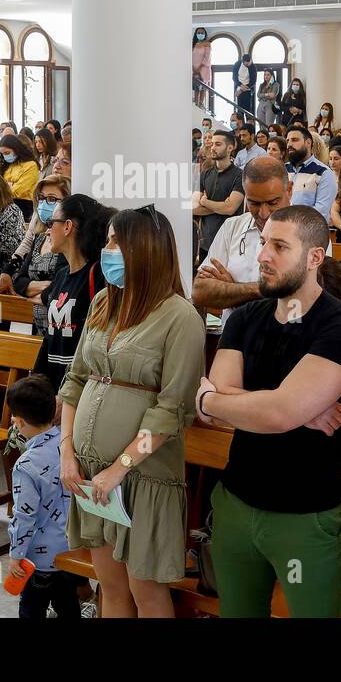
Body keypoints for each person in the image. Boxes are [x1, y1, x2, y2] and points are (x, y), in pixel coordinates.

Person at [196, 207, 341, 617]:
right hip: (236, 503)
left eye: (279, 246)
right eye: (262, 244)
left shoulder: (340, 327)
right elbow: (255, 411)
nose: (262, 256)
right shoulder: (245, 319)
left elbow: (270, 413)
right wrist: (286, 407)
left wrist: (209, 400)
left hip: (304, 515)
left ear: (315, 257)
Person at [58, 205, 205, 617]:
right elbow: (76, 380)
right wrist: (66, 451)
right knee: (110, 586)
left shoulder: (180, 317)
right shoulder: (105, 301)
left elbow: (171, 409)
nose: (106, 250)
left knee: (146, 592)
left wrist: (121, 466)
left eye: (115, 242)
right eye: (107, 240)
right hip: (91, 473)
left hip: (142, 477)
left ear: (143, 250)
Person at [6, 374, 79, 618]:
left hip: (39, 559)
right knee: (69, 607)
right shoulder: (69, 444)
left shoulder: (25, 466)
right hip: (70, 551)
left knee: (31, 612)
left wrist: (16, 555)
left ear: (18, 422)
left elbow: (24, 516)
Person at [194, 158, 292, 321]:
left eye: (273, 202)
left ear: (289, 190)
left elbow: (305, 300)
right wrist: (263, 290)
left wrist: (232, 290)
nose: (264, 213)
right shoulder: (232, 227)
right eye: (254, 203)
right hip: (233, 339)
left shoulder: (308, 230)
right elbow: (200, 291)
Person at [34, 194, 111, 389]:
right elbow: (49, 339)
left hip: (79, 389)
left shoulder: (98, 275)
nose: (47, 230)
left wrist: (70, 393)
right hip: (52, 385)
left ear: (68, 226)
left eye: (52, 223)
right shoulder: (61, 275)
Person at [2, 175, 70, 333]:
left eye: (52, 199)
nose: (45, 203)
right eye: (41, 198)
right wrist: (41, 285)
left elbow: (60, 288)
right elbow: (19, 282)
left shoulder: (69, 241)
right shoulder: (39, 237)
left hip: (61, 327)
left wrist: (31, 289)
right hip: (38, 325)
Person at [194, 130, 244, 261]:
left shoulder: (240, 175)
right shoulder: (205, 174)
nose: (213, 148)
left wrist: (205, 202)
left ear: (230, 148)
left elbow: (230, 209)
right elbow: (194, 208)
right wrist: (221, 206)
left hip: (230, 243)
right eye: (212, 144)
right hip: (206, 243)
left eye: (218, 144)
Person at [284, 123, 336, 221]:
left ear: (308, 143)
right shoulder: (282, 169)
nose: (289, 144)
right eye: (288, 141)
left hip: (308, 232)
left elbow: (320, 213)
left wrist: (291, 218)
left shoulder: (324, 173)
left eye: (294, 140)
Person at [0, 134, 40, 219]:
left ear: (16, 149)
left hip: (24, 207)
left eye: (7, 153)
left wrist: (6, 187)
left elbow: (19, 190)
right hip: (5, 205)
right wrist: (9, 185)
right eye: (3, 154)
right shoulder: (6, 165)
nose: (5, 156)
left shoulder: (31, 165)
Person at [192, 28, 213, 109]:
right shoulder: (194, 44)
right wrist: (193, 68)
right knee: (196, 87)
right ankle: (196, 104)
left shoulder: (207, 44)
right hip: (193, 68)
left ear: (205, 34)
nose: (200, 34)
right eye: (199, 33)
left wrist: (199, 67)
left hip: (204, 68)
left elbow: (207, 57)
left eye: (202, 33)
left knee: (202, 87)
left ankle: (201, 103)